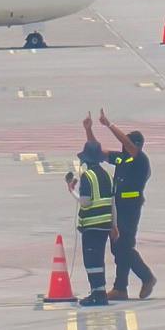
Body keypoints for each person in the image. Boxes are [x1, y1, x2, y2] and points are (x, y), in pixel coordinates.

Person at [102, 116, 156, 299]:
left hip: (131, 209)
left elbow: (127, 144)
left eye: (128, 143)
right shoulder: (122, 159)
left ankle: (146, 277)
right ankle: (120, 289)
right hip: (117, 208)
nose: (124, 146)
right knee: (118, 247)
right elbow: (100, 152)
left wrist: (109, 125)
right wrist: (88, 132)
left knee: (124, 246)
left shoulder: (141, 160)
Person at [67, 124, 115, 304]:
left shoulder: (88, 177)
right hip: (105, 225)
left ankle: (97, 294)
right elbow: (112, 203)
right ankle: (100, 291)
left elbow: (85, 201)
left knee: (91, 260)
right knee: (99, 258)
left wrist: (72, 191)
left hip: (92, 225)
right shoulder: (107, 176)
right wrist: (114, 226)